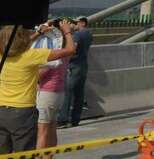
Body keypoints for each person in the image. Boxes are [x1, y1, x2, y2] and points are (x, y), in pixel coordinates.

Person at [0, 20, 75, 154]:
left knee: (3, 153)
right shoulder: (32, 55)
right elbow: (70, 50)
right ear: (21, 38)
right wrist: (67, 31)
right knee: (24, 153)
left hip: (1, 110)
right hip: (22, 112)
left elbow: (15, 45)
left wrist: (39, 33)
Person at [32, 20, 67, 151]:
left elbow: (42, 73)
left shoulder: (51, 52)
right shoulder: (63, 49)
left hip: (45, 93)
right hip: (58, 92)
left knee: (41, 133)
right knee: (52, 129)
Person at [59, 17, 91, 129]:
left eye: (75, 23)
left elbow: (72, 49)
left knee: (67, 93)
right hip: (83, 65)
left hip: (74, 66)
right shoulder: (88, 34)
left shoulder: (77, 35)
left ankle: (62, 119)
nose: (73, 24)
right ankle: (75, 120)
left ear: (82, 23)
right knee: (79, 93)